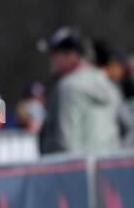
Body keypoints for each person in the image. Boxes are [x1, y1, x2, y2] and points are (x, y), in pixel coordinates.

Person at [36, 26, 122, 155]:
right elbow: (128, 127)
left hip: (76, 170)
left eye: (55, 53)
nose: (51, 60)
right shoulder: (107, 83)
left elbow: (65, 140)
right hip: (107, 169)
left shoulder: (67, 88)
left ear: (71, 55)